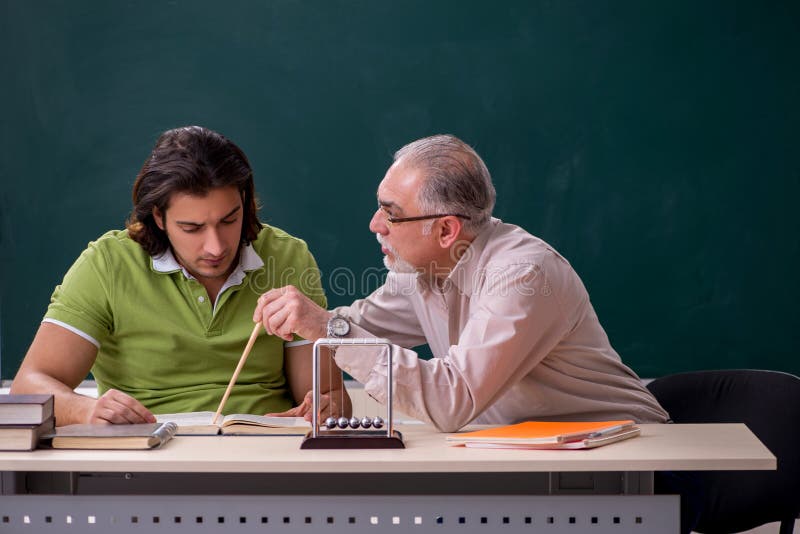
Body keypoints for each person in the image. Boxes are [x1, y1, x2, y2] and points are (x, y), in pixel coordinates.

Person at [254, 134, 668, 432]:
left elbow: (453, 401)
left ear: (447, 230)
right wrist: (317, 348)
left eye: (391, 214)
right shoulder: (425, 270)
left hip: (623, 454)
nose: (375, 225)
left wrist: (329, 329)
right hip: (525, 456)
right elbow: (351, 326)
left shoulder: (522, 275)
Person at [11, 126, 350, 425]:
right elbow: (28, 386)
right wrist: (85, 411)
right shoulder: (107, 265)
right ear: (158, 216)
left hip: (266, 453)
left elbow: (330, 396)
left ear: (245, 203)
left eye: (229, 220)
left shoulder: (288, 257)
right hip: (148, 458)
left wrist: (328, 406)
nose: (215, 246)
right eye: (192, 228)